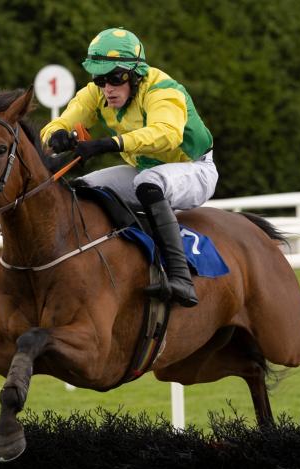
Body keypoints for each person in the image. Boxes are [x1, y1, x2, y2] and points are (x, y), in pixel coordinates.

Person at [40, 27, 217, 307]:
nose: (107, 88)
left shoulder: (163, 91)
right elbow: (58, 123)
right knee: (81, 188)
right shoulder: (96, 93)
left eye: (115, 77)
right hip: (145, 170)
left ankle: (181, 278)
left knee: (148, 185)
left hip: (193, 169)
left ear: (136, 74)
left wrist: (107, 144)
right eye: (100, 79)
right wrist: (56, 134)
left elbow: (167, 134)